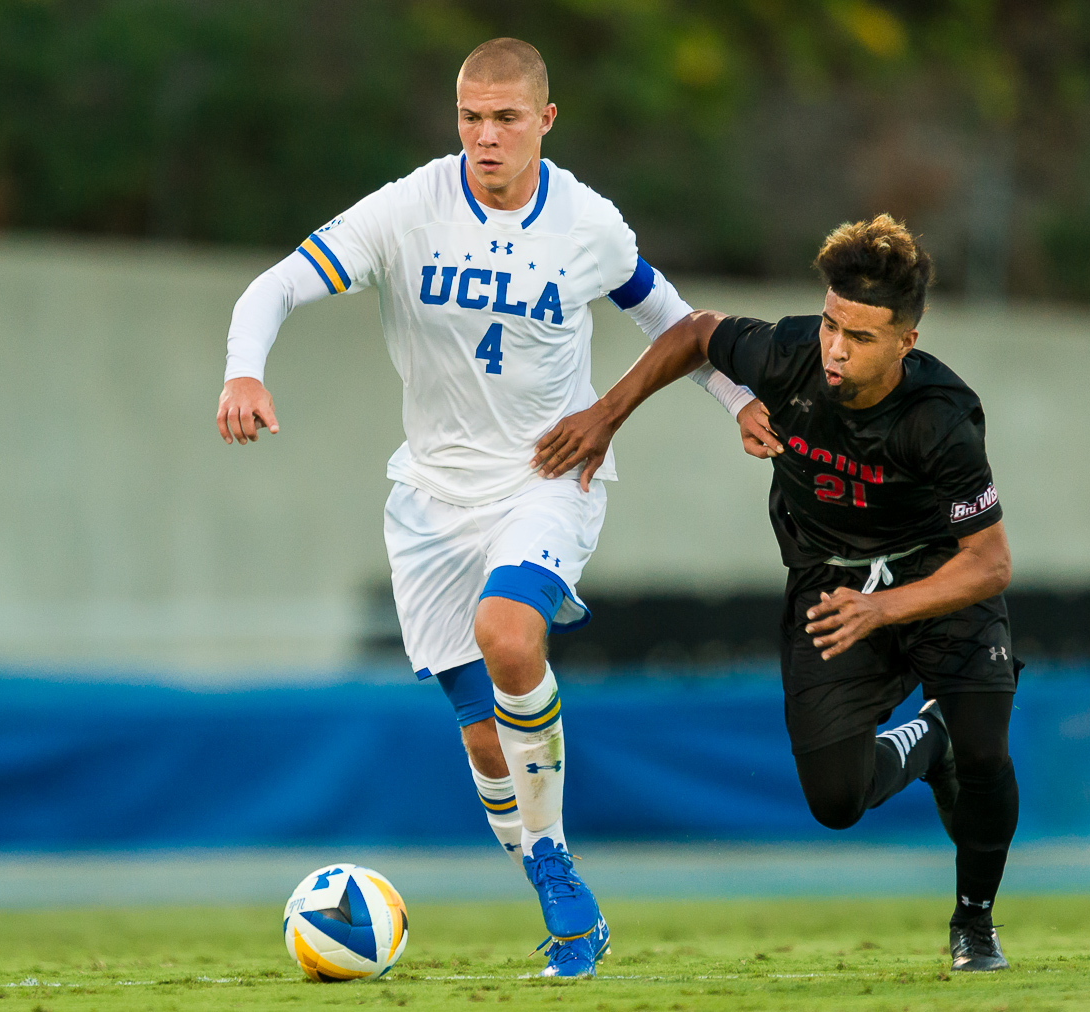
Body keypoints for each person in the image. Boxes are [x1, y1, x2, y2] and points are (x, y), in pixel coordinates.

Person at [214, 38, 757, 977]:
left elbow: (674, 324)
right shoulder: (409, 209)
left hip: (549, 474)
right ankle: (553, 870)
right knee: (481, 733)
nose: (486, 136)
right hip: (430, 501)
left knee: (510, 635)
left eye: (507, 118)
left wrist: (742, 403)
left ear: (546, 120)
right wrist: (243, 371)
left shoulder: (587, 223)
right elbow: (277, 285)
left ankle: (556, 878)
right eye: (471, 117)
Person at [533, 214, 1022, 973]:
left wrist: (882, 608)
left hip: (933, 579)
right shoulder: (789, 352)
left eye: (860, 337)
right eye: (832, 324)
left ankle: (974, 923)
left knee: (988, 751)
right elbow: (696, 331)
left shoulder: (942, 419)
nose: (835, 347)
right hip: (827, 580)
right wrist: (608, 414)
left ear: (905, 344)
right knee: (836, 800)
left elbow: (989, 563)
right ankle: (933, 741)